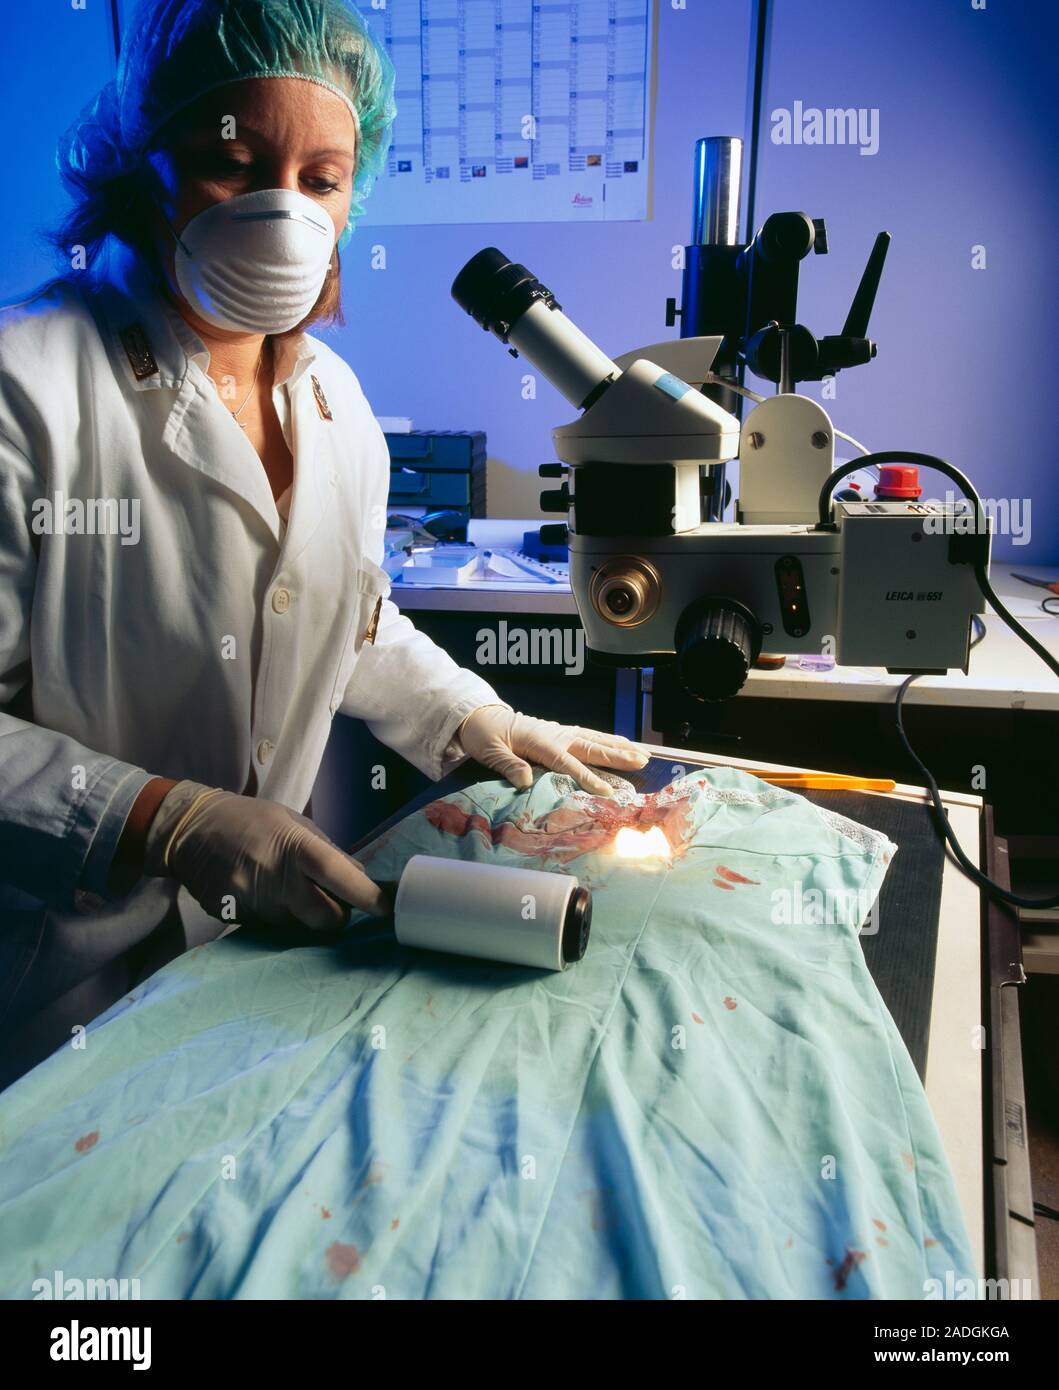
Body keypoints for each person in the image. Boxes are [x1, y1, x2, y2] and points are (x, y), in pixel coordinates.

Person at [0, 0, 646, 1081]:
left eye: (320, 179)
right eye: (232, 162)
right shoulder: (28, 384)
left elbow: (352, 618)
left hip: (252, 963)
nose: (279, 210)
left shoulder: (336, 402)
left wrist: (473, 714)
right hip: (50, 985)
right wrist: (166, 819)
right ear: (143, 163)